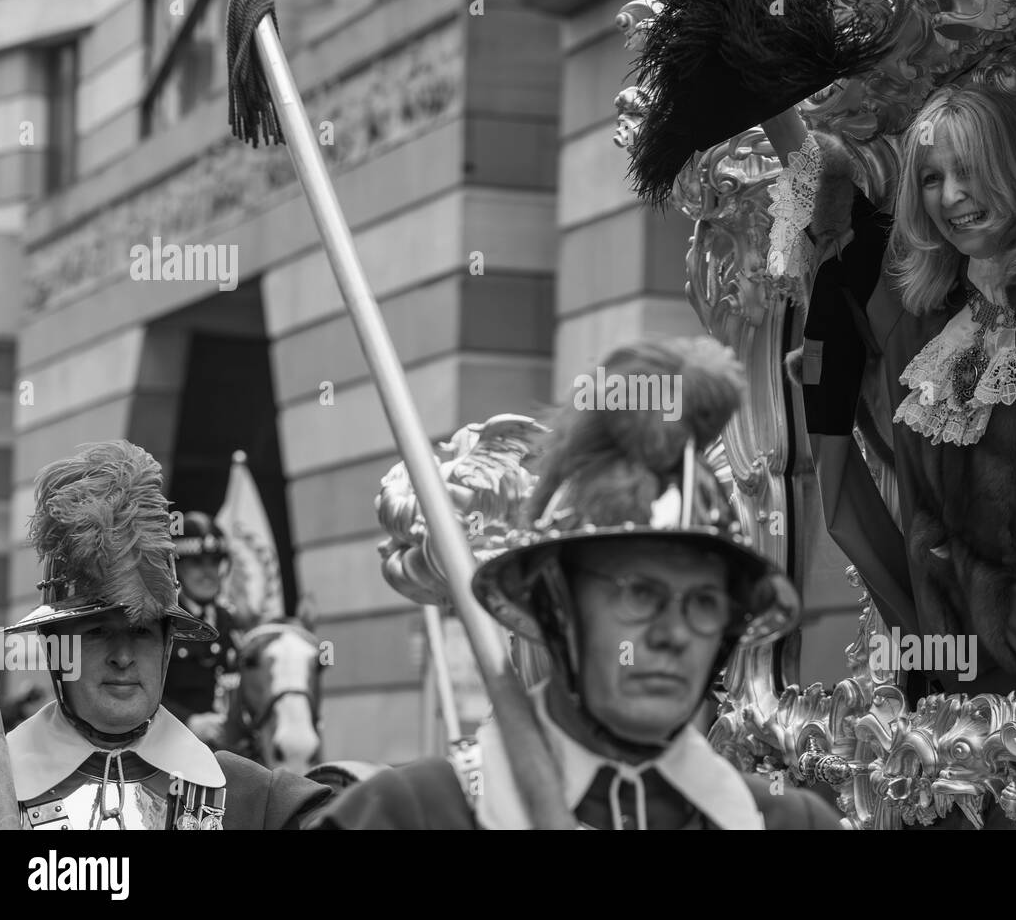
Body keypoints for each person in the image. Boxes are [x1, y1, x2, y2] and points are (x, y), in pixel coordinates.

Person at [314, 336, 843, 829]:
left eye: (704, 601)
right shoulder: (407, 814)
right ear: (556, 605)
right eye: (639, 593)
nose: (674, 635)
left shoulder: (789, 822)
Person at [795, 85, 1016, 700]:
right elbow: (833, 207)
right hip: (956, 676)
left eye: (970, 171)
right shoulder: (936, 317)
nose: (951, 197)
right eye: (930, 178)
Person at [0, 440, 329, 829]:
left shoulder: (256, 798)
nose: (123, 656)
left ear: (166, 645)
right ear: (55, 647)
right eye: (98, 632)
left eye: (142, 632)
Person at [164, 511, 239, 746]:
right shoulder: (161, 621)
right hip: (174, 750)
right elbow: (140, 693)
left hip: (230, 752)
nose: (208, 572)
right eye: (197, 563)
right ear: (178, 569)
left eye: (214, 562)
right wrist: (189, 722)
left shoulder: (230, 621)